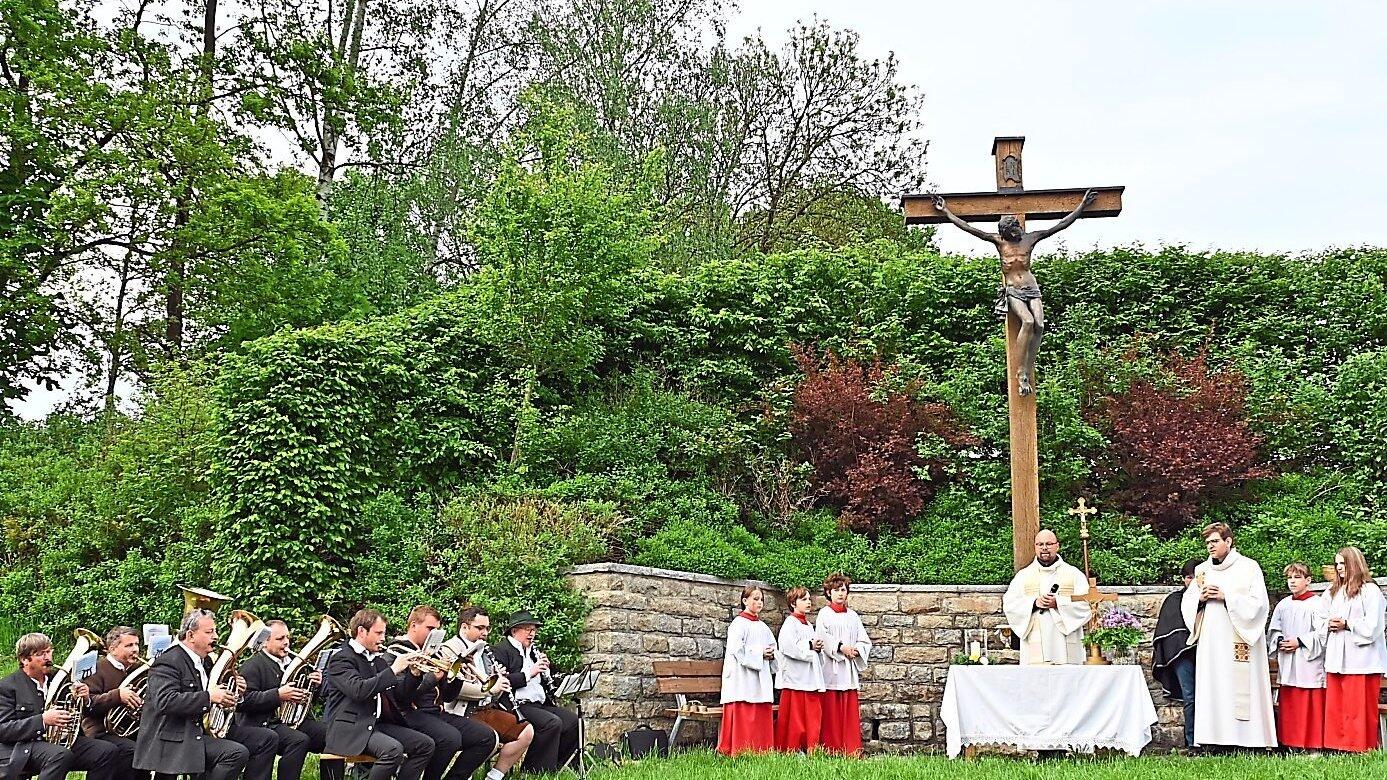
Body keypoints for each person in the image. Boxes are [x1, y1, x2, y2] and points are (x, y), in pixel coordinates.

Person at [932, 189, 1097, 395]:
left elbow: (1060, 224)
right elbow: (969, 228)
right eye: (1014, 230)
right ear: (1006, 233)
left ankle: (1029, 366)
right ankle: (1021, 372)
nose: (1018, 231)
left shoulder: (1030, 239)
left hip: (1032, 288)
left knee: (1040, 324)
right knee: (1027, 322)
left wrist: (1081, 207)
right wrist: (946, 211)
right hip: (1014, 291)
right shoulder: (1000, 243)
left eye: (1018, 228)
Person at [132, 610, 273, 780]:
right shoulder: (169, 661)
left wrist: (234, 690)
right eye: (209, 632)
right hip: (175, 736)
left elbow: (214, 690)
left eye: (215, 631)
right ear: (190, 635)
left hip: (199, 730)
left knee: (266, 739)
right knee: (235, 753)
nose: (216, 637)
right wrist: (208, 697)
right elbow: (165, 701)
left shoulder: (205, 660)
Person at [1181, 523, 1276, 750]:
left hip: (1239, 639)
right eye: (1207, 543)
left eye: (1214, 541)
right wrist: (1200, 599)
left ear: (1228, 541)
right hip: (1212, 642)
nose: (1210, 547)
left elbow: (1260, 605)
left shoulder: (1249, 567)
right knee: (1214, 684)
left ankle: (1249, 740)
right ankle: (1214, 740)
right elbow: (1187, 602)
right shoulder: (1202, 570)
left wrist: (1227, 597)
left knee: (1240, 686)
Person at [384, 606, 497, 780]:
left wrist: (458, 674)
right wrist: (431, 679)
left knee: (486, 737)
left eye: (437, 630)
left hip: (435, 713)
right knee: (449, 738)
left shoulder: (434, 653)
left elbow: (449, 696)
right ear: (413, 625)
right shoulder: (396, 652)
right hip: (407, 714)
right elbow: (400, 697)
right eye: (430, 629)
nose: (433, 635)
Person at [322, 608, 434, 780]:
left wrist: (414, 674)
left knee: (425, 745)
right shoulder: (342, 659)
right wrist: (394, 669)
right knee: (392, 750)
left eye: (384, 633)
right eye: (378, 633)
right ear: (361, 631)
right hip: (351, 728)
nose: (383, 638)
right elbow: (358, 691)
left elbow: (399, 696)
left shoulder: (377, 660)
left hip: (376, 724)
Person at [1, 632, 119, 780]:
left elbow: (80, 714)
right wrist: (43, 720)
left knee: (107, 751)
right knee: (59, 756)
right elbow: (3, 729)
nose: (48, 657)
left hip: (58, 742)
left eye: (49, 651)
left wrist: (83, 699)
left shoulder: (59, 680)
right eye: (40, 654)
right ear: (24, 659)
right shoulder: (8, 686)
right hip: (25, 746)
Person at [444, 607, 532, 780]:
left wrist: (499, 682)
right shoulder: (450, 649)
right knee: (488, 738)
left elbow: (492, 693)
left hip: (485, 709)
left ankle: (494, 776)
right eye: (479, 628)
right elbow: (456, 688)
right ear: (464, 627)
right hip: (461, 712)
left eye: (487, 628)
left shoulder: (484, 650)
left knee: (526, 731)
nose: (484, 633)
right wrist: (491, 688)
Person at [234, 619, 329, 780]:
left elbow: (308, 698)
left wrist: (315, 685)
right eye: (280, 639)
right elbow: (244, 701)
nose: (286, 643)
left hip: (290, 721)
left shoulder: (294, 664)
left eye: (287, 638)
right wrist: (278, 695)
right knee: (298, 741)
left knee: (333, 735)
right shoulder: (253, 666)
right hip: (264, 722)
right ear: (265, 642)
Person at [490, 612, 578, 773]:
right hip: (515, 705)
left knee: (572, 721)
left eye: (534, 630)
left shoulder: (533, 651)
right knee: (551, 723)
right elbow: (503, 681)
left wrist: (547, 671)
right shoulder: (500, 651)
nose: (532, 634)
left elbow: (543, 682)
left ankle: (561, 766)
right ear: (514, 631)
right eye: (527, 629)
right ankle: (534, 772)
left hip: (538, 704)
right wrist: (530, 672)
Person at [1319, 546, 1387, 752]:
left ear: (1354, 564)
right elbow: (1320, 618)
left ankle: (1360, 746)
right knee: (1337, 706)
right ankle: (1337, 746)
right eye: (1337, 563)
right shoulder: (1333, 592)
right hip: (1337, 657)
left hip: (1362, 660)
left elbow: (1374, 625)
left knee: (1358, 707)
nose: (1339, 568)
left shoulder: (1370, 591)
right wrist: (1328, 624)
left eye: (1343, 563)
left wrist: (1347, 624)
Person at [1002, 530, 1092, 665]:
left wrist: (1059, 603)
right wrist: (1034, 603)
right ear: (1035, 547)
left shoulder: (1074, 574)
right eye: (1040, 544)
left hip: (1065, 639)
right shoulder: (1023, 576)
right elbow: (1010, 604)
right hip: (1035, 638)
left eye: (1049, 544)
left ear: (1057, 546)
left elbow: (1086, 604)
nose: (1044, 548)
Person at [1268, 562, 1327, 751]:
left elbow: (1323, 633)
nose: (1292, 582)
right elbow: (1274, 629)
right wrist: (1279, 641)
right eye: (1289, 578)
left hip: (1308, 662)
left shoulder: (1318, 604)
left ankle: (1313, 745)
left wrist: (1300, 641)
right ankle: (1290, 743)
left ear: (1308, 580)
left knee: (1311, 703)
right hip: (1288, 662)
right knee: (1291, 703)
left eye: (1297, 577)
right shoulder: (1283, 605)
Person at [81, 626, 151, 780]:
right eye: (129, 646)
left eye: (137, 644)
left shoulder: (137, 670)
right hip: (100, 732)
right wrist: (117, 695)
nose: (135, 650)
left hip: (129, 730)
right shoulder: (96, 669)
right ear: (113, 649)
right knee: (132, 750)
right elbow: (88, 705)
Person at [815, 573, 871, 756]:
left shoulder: (853, 616)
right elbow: (822, 638)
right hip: (831, 668)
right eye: (836, 590)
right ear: (828, 593)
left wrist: (857, 650)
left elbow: (864, 640)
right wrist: (840, 648)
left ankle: (851, 748)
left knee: (848, 709)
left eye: (843, 590)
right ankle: (831, 748)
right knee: (831, 710)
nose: (840, 593)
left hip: (848, 669)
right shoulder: (824, 614)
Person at [718, 585, 776, 756]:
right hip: (742, 679)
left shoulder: (763, 627)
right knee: (744, 709)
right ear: (745, 601)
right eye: (755, 599)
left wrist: (772, 654)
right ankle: (740, 749)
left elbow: (773, 647)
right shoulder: (738, 624)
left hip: (760, 677)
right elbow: (737, 650)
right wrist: (760, 653)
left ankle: (762, 749)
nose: (759, 602)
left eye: (761, 599)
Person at [1152, 560, 1200, 748]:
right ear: (1183, 579)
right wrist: (1185, 646)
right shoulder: (1174, 600)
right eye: (1190, 578)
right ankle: (1192, 741)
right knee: (1190, 696)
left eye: (1197, 578)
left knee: (1211, 695)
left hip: (1206, 653)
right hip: (1182, 656)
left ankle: (1212, 740)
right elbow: (1169, 630)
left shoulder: (1209, 599)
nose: (1194, 582)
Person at [774, 586, 825, 753]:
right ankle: (792, 747)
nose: (808, 602)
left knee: (811, 716)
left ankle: (810, 746)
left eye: (809, 599)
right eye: (804, 599)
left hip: (809, 678)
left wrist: (817, 647)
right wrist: (810, 645)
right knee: (796, 718)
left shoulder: (808, 624)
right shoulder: (790, 623)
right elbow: (787, 647)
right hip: (796, 679)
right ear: (793, 603)